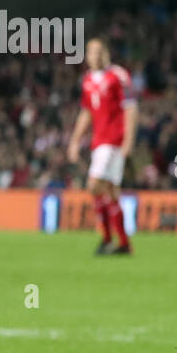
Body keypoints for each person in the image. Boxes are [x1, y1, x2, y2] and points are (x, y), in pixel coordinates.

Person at [67, 37, 137, 255]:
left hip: (114, 141)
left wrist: (128, 140)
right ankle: (123, 243)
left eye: (98, 51)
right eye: (90, 52)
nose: (94, 56)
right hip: (99, 142)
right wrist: (75, 140)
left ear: (106, 52)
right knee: (112, 192)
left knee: (94, 185)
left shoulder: (118, 75)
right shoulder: (88, 79)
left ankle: (107, 239)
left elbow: (131, 108)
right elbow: (86, 112)